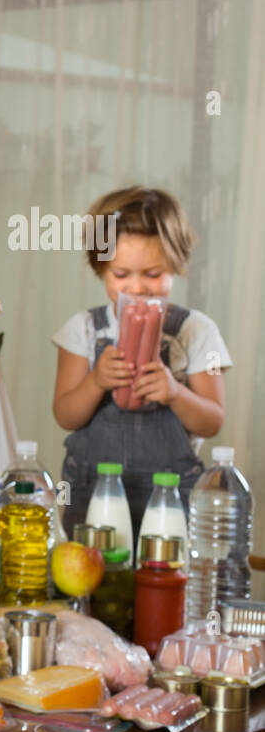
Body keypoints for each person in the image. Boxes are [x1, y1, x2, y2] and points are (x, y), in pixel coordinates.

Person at [52, 186, 230, 541]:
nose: (137, 288)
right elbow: (65, 415)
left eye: (152, 274)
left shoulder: (197, 332)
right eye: (121, 275)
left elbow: (213, 419)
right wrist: (95, 382)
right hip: (93, 491)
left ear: (176, 264)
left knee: (164, 584)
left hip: (171, 496)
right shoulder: (82, 331)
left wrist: (175, 393)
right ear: (100, 266)